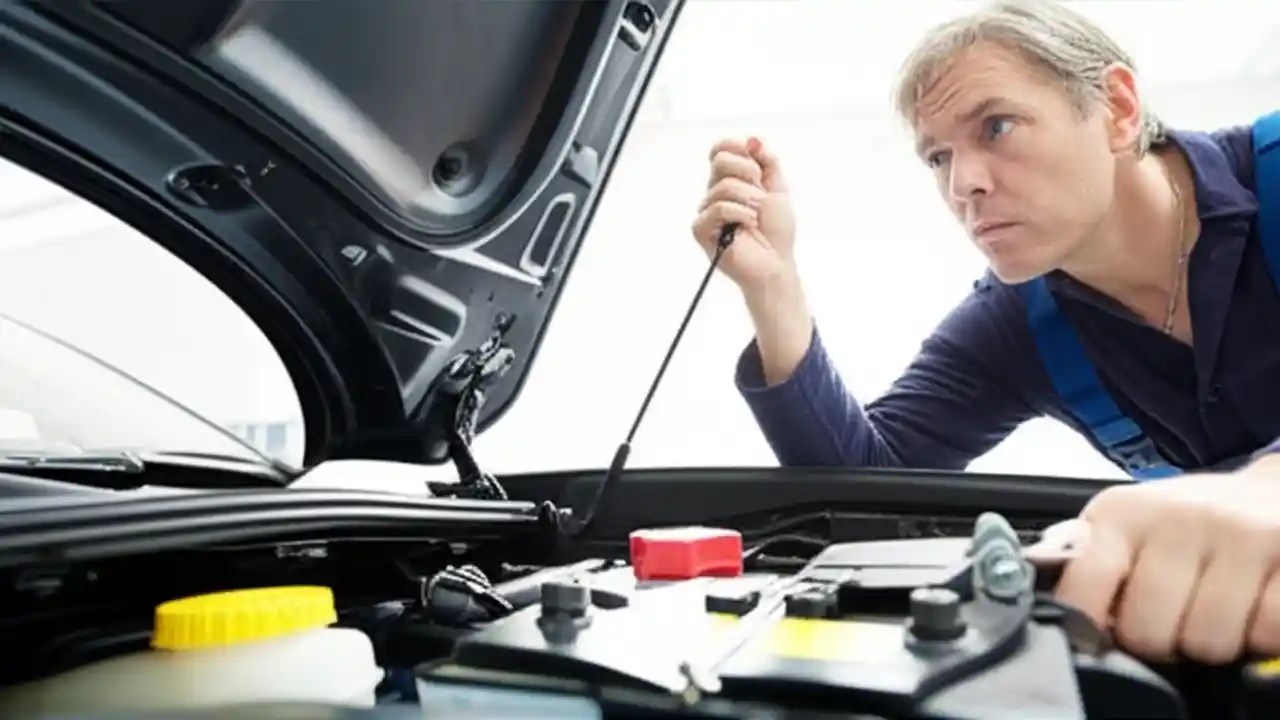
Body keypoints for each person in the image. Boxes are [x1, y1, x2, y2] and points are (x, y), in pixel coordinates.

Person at [690, 0, 1280, 665]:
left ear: (1116, 107)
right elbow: (865, 488)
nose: (963, 183)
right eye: (938, 158)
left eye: (997, 127)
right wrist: (775, 290)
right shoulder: (1018, 326)